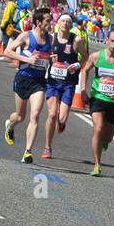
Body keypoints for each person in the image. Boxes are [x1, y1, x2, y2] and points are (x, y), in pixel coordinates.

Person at [2, 7, 55, 165]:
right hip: (23, 78)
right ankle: (10, 126)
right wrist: (27, 59)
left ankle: (27, 152)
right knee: (20, 116)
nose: (50, 23)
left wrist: (51, 58)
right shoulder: (26, 36)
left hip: (38, 81)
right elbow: (7, 51)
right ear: (38, 22)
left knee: (35, 115)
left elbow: (47, 56)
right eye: (47, 21)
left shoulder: (50, 39)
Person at [80, 27, 114, 177]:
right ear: (106, 40)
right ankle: (97, 165)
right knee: (98, 129)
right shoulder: (97, 56)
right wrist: (83, 90)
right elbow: (85, 70)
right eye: (112, 41)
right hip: (98, 97)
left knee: (109, 136)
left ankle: (103, 142)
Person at [40, 14, 85, 160]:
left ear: (71, 25)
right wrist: (48, 58)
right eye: (63, 21)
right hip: (53, 82)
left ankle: (61, 123)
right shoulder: (51, 38)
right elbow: (42, 54)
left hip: (68, 83)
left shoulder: (76, 40)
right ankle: (47, 147)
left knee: (62, 118)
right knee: (52, 114)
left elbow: (85, 57)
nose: (65, 23)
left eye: (68, 21)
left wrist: (77, 65)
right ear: (58, 23)